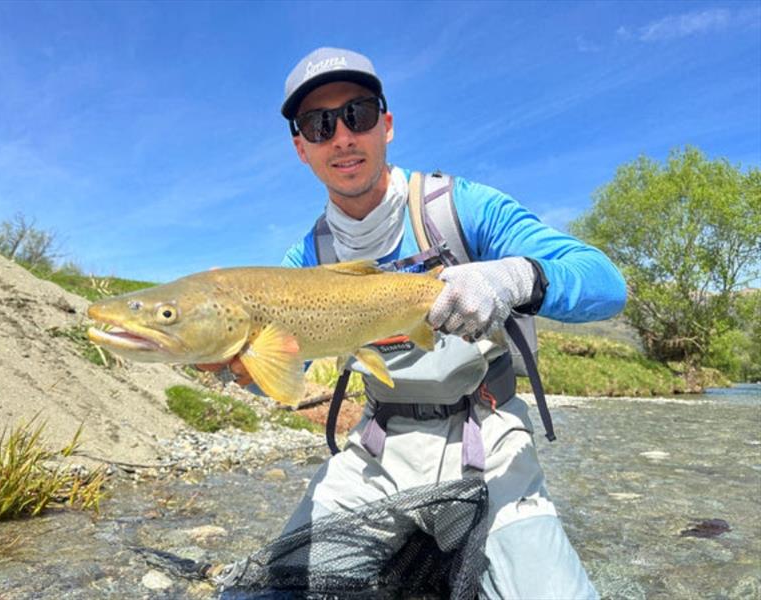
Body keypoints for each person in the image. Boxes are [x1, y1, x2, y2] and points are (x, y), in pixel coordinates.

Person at [221, 47, 626, 599]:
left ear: (386, 125)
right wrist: (229, 367)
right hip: (377, 449)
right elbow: (285, 361)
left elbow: (603, 282)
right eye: (319, 125)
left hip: (487, 440)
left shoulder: (460, 209)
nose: (341, 136)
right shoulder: (306, 259)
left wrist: (512, 278)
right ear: (301, 148)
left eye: (357, 114)